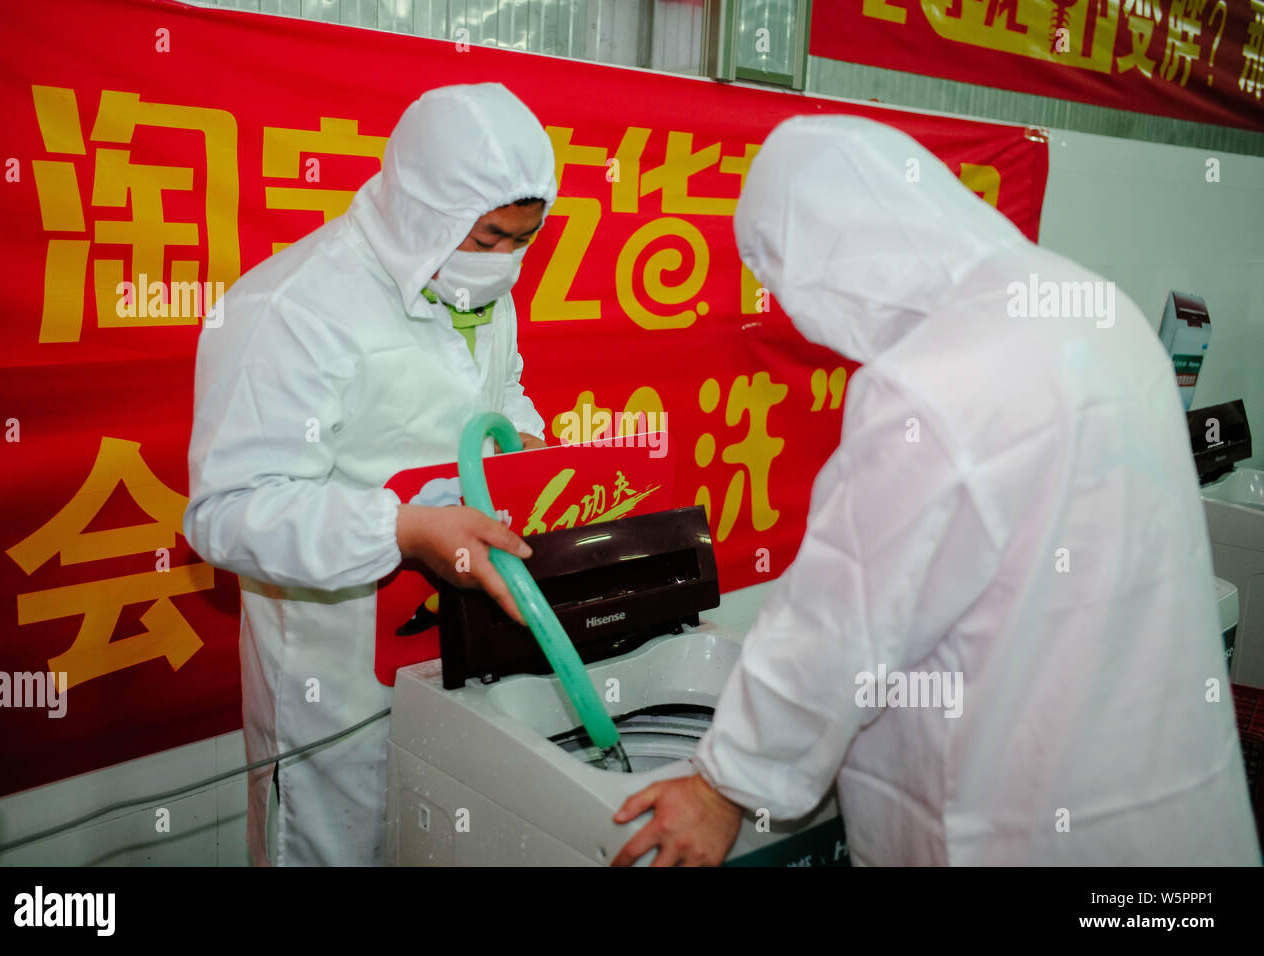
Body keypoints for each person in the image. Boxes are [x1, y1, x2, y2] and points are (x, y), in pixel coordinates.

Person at [612, 114, 1260, 866]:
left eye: (779, 272)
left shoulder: (937, 376)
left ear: (826, 249)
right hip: (1167, 808)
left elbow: (842, 612)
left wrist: (724, 786)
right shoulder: (1090, 305)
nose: (789, 305)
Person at [183, 83, 557, 866]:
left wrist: (525, 436)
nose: (504, 262)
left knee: (442, 832)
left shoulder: (481, 284)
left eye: (523, 240)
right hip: (333, 673)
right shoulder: (295, 305)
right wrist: (400, 529)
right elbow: (227, 511)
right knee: (335, 846)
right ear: (429, 210)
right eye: (489, 238)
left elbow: (500, 389)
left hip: (456, 637)